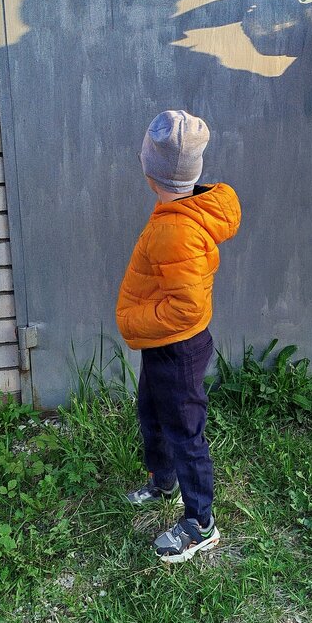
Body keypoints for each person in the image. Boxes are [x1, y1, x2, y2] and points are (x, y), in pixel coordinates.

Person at [116, 110, 241, 560]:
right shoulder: (177, 210)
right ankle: (163, 481)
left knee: (185, 431)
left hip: (177, 346)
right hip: (167, 343)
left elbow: (185, 307)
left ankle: (200, 522)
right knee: (152, 411)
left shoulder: (175, 229)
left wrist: (133, 321)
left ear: (151, 170)